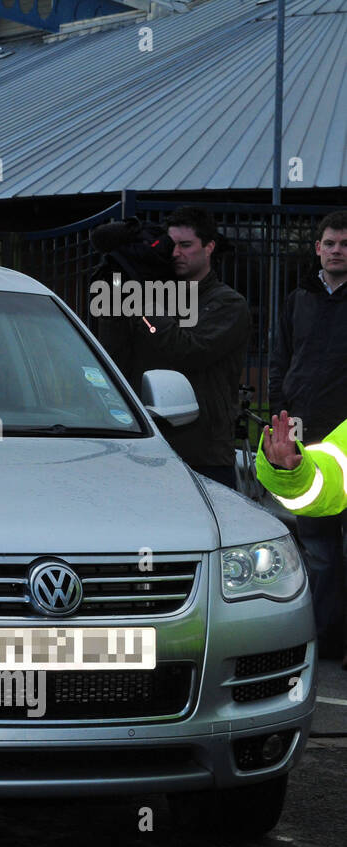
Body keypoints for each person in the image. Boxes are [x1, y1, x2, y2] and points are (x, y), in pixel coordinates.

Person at [96, 206, 250, 487]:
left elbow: (188, 351)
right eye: (172, 245)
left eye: (186, 245)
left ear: (209, 247)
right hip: (147, 447)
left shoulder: (228, 303)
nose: (176, 252)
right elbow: (113, 356)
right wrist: (119, 288)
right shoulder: (156, 296)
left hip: (204, 454)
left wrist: (142, 298)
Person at [265, 210, 347, 663]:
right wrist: (282, 414)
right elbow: (280, 360)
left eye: (344, 244)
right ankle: (324, 639)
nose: (337, 250)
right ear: (317, 247)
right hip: (307, 440)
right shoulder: (299, 297)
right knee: (317, 549)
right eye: (330, 242)